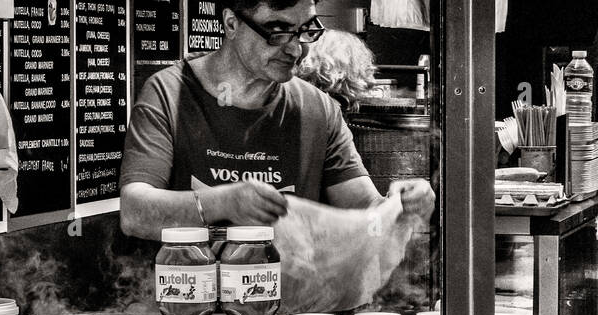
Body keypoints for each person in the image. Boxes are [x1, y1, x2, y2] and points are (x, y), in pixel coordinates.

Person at [118, 0, 434, 238]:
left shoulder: (317, 108)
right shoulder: (169, 93)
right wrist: (223, 202)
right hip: (189, 307)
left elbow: (366, 211)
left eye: (306, 30)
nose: (296, 49)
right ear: (231, 23)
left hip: (290, 314)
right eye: (277, 31)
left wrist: (402, 206)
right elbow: (135, 213)